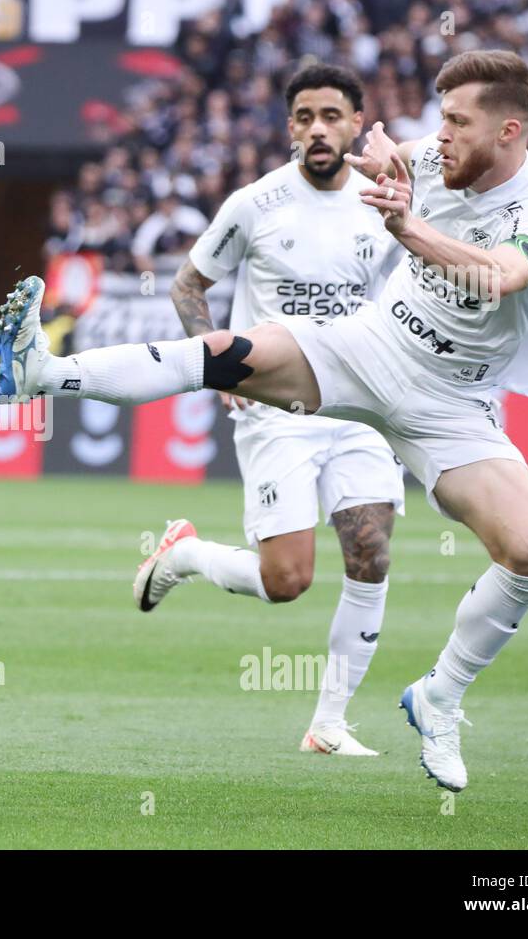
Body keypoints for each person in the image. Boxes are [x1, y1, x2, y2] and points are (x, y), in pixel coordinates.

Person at [0, 50, 528, 792]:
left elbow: (499, 274)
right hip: (375, 344)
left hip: (456, 404)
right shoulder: (417, 160)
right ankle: (44, 373)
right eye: (441, 119)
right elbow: (392, 165)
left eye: (458, 122)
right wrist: (385, 163)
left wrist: (405, 223)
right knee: (226, 355)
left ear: (510, 130)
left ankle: (439, 695)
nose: (442, 136)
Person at [133, 64, 405, 757]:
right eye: (306, 116)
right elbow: (190, 284)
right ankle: (187, 553)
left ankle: (330, 724)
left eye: (332, 116)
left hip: (359, 404)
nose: (319, 128)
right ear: (289, 127)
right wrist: (213, 357)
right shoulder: (255, 204)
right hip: (277, 408)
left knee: (370, 553)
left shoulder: (385, 203)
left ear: (355, 125)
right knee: (288, 582)